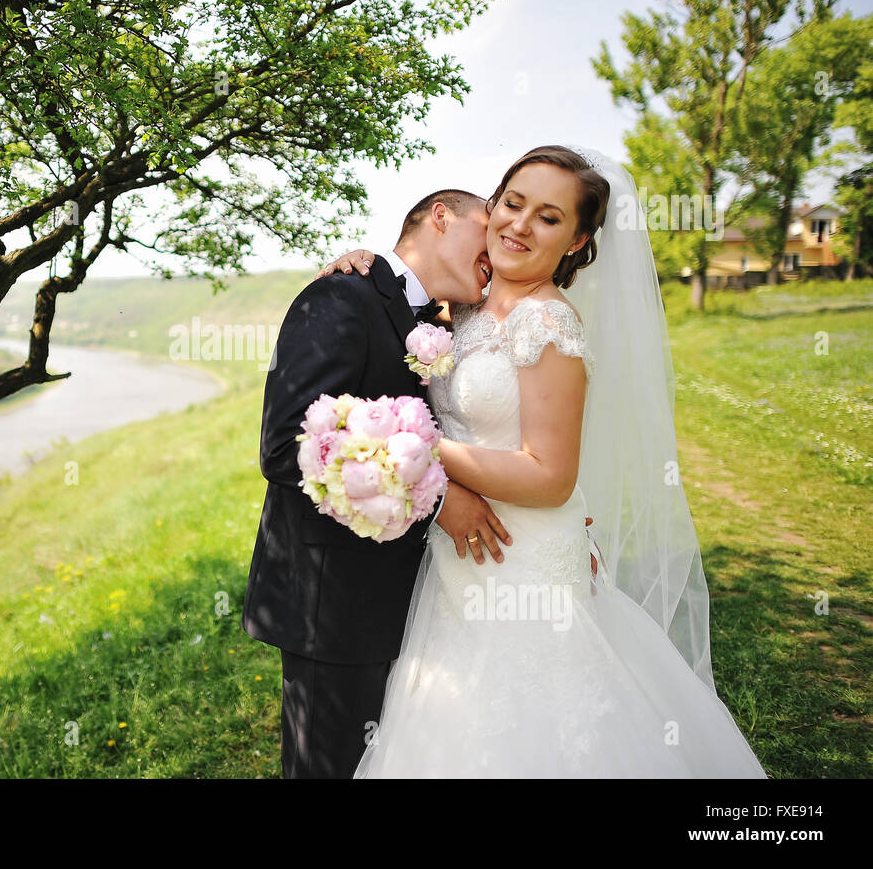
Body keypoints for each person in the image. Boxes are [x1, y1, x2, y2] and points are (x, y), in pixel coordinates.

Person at [323, 145, 766, 777]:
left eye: (549, 218)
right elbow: (397, 301)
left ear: (579, 239)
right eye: (512, 203)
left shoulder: (549, 325)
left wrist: (415, 447)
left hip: (519, 557)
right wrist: (356, 267)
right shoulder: (467, 309)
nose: (519, 225)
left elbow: (550, 476)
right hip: (458, 561)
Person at [242, 188, 512, 779]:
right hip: (336, 600)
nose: (496, 246)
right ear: (440, 217)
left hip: (418, 596)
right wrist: (438, 499)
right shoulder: (341, 295)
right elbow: (288, 444)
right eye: (488, 226)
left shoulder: (446, 319)